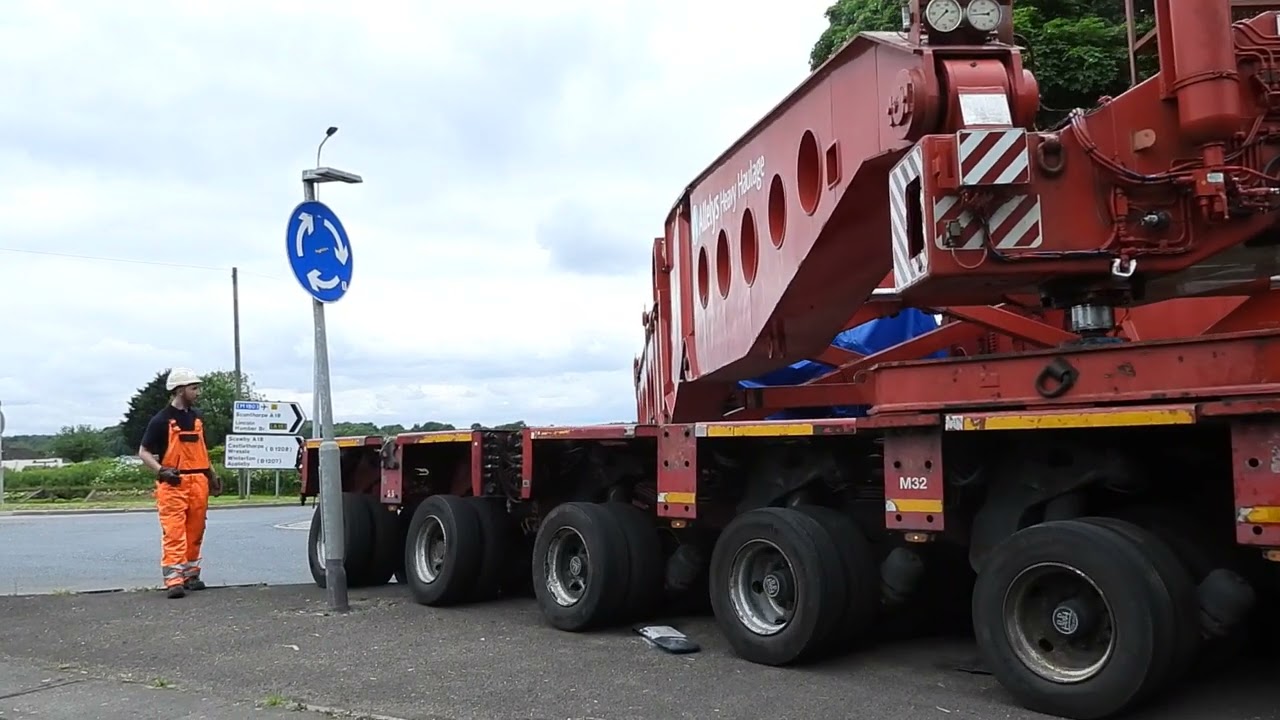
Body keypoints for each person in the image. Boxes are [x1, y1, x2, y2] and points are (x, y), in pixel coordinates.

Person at [137, 367, 223, 599]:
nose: (198, 392)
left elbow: (202, 450)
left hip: (198, 481)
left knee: (195, 530)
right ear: (179, 390)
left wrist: (212, 475)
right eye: (194, 388)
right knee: (174, 532)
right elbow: (143, 452)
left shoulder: (196, 418)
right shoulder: (161, 420)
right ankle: (174, 579)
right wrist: (161, 470)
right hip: (173, 483)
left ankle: (190, 574)